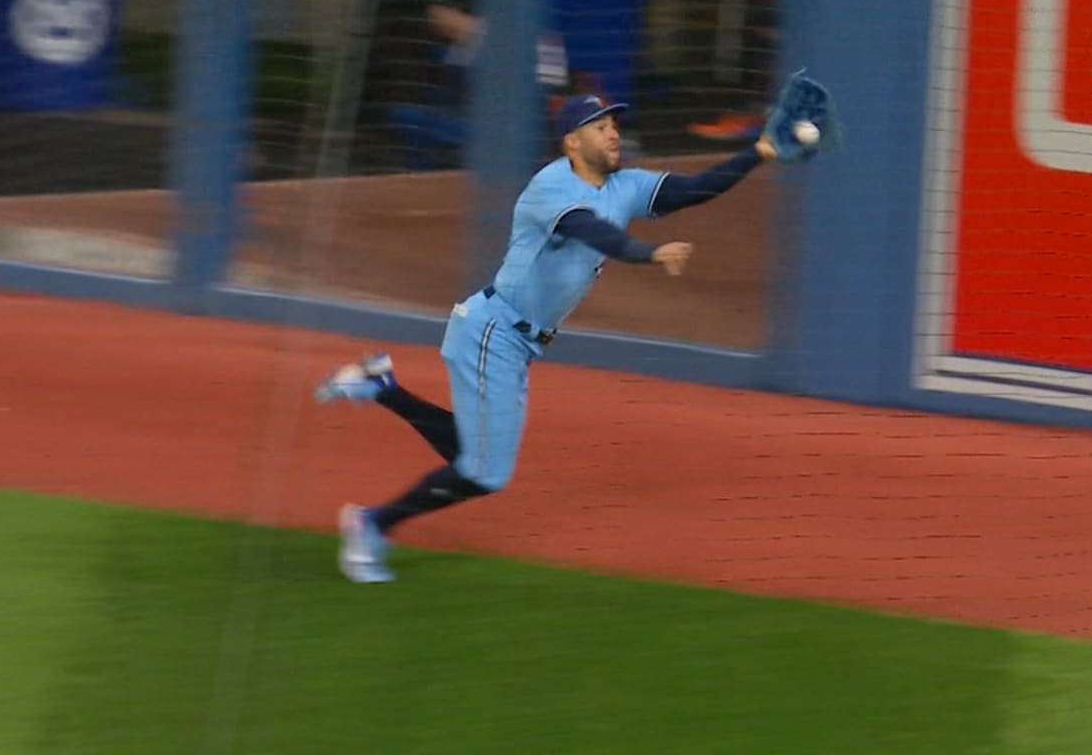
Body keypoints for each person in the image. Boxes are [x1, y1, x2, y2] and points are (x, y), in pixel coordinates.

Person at [313, 93, 780, 583]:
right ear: (572, 142)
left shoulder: (626, 185)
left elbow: (697, 188)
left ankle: (380, 386)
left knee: (476, 456)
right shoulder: (551, 186)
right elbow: (593, 232)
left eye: (614, 124)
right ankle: (372, 524)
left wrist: (758, 153)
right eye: (600, 126)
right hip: (492, 330)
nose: (613, 133)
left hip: (516, 341)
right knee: (486, 471)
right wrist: (650, 253)